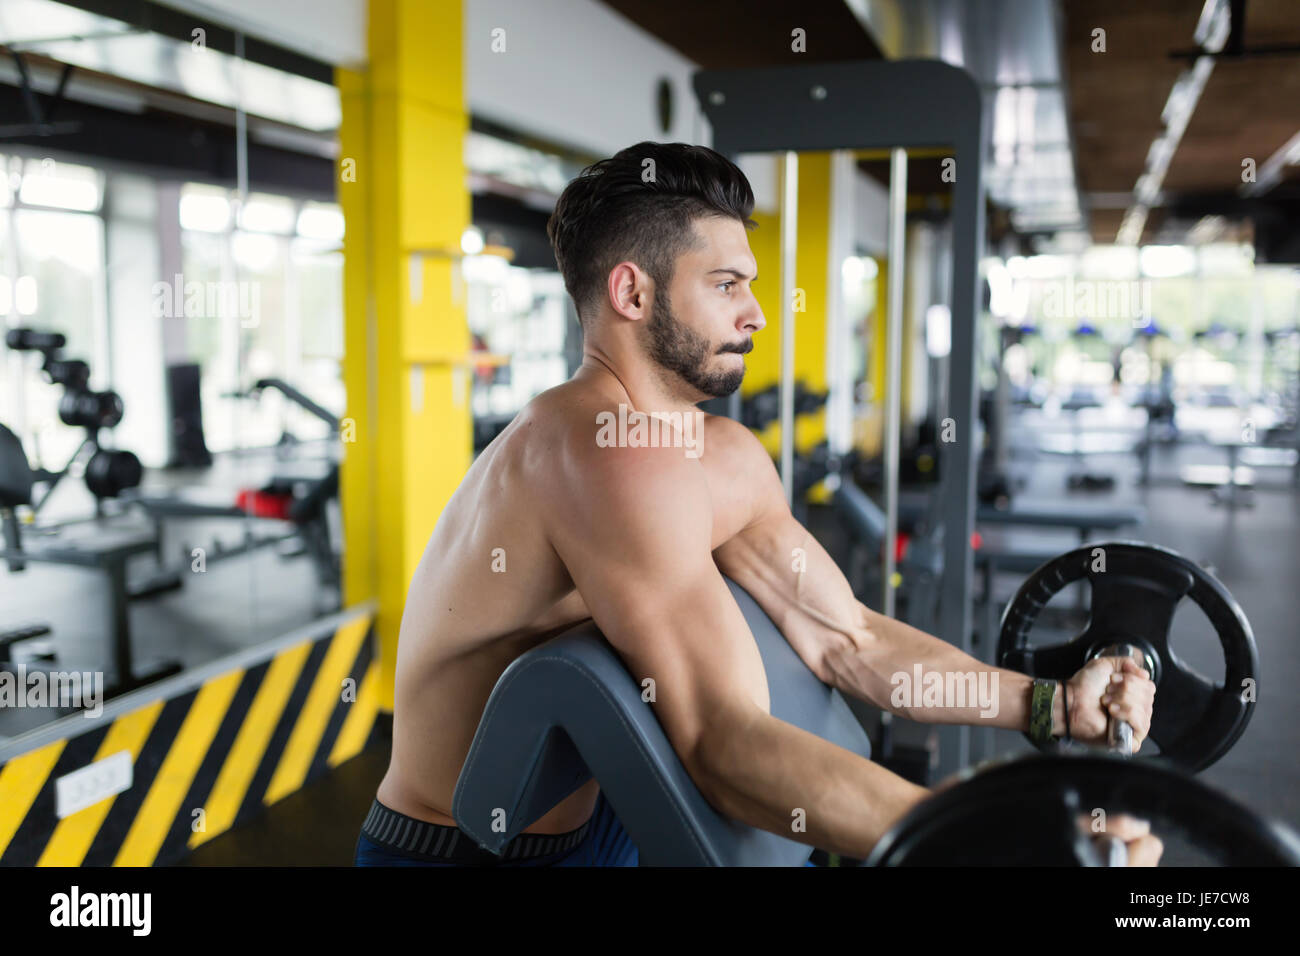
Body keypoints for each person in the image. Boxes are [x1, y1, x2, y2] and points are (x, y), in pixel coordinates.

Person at [355, 142, 1158, 867]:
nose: (758, 313)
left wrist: (1045, 704)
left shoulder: (725, 456)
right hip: (462, 850)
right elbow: (719, 742)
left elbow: (847, 639)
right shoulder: (591, 444)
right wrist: (986, 836)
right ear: (632, 292)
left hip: (610, 817)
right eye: (726, 285)